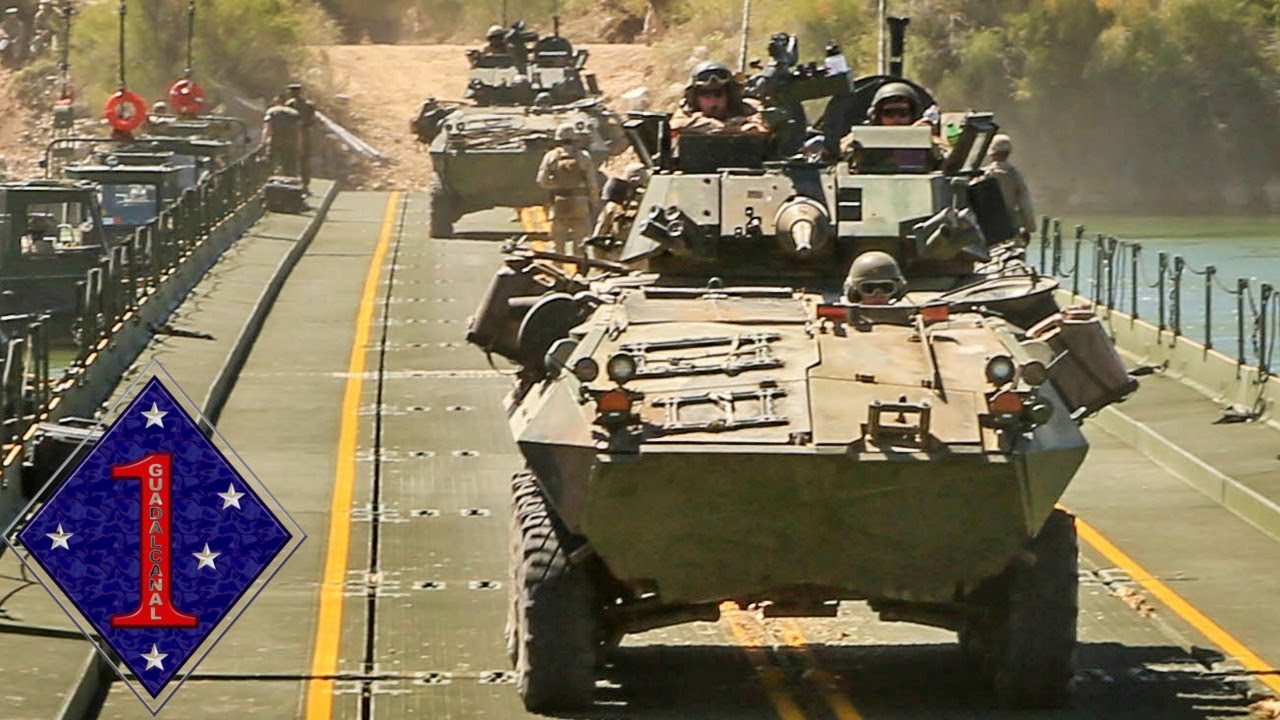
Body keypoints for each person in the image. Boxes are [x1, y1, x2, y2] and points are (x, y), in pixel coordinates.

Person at [536, 123, 600, 256]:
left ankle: (557, 270)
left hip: (559, 202)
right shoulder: (584, 156)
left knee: (557, 243)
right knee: (580, 242)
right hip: (580, 203)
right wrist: (594, 202)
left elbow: (541, 181)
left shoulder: (551, 156)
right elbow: (592, 183)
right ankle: (580, 271)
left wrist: (557, 185)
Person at [669, 61, 767, 137]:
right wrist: (733, 129)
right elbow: (674, 126)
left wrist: (753, 125)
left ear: (729, 95)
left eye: (718, 94)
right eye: (706, 95)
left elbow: (765, 121)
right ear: (695, 98)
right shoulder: (686, 113)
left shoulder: (749, 107)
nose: (713, 101)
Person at [982, 133, 1036, 242]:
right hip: (1010, 227)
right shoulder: (1015, 175)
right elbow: (1025, 203)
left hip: (986, 228)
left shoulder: (982, 175)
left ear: (991, 152)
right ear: (1008, 153)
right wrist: (1030, 226)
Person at [590, 162, 646, 261]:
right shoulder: (651, 204)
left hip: (619, 258)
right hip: (641, 259)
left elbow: (598, 235)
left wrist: (600, 262)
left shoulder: (612, 206)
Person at [284, 83, 317, 191]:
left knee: (291, 159)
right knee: (305, 160)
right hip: (306, 133)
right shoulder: (309, 105)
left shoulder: (289, 105)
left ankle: (291, 183)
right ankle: (305, 184)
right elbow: (313, 120)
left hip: (293, 135)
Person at [262, 94, 301, 178]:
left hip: (275, 139)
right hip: (290, 141)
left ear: (275, 102)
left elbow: (268, 127)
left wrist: (263, 142)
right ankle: (290, 181)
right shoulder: (294, 113)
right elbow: (298, 130)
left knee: (270, 160)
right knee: (289, 163)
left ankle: (268, 179)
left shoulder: (271, 111)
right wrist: (298, 143)